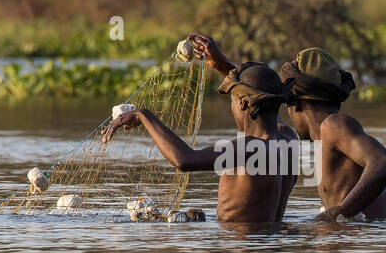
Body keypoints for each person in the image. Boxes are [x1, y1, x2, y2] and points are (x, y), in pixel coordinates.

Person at [102, 59, 297, 223]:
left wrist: (143, 116)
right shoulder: (286, 139)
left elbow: (185, 160)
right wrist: (221, 64)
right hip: (262, 249)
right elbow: (266, 105)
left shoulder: (251, 149)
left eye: (232, 100)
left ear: (243, 103)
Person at [279, 47, 386, 221]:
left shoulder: (333, 125)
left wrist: (338, 213)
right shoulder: (328, 137)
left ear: (295, 103)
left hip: (366, 244)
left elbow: (384, 163)